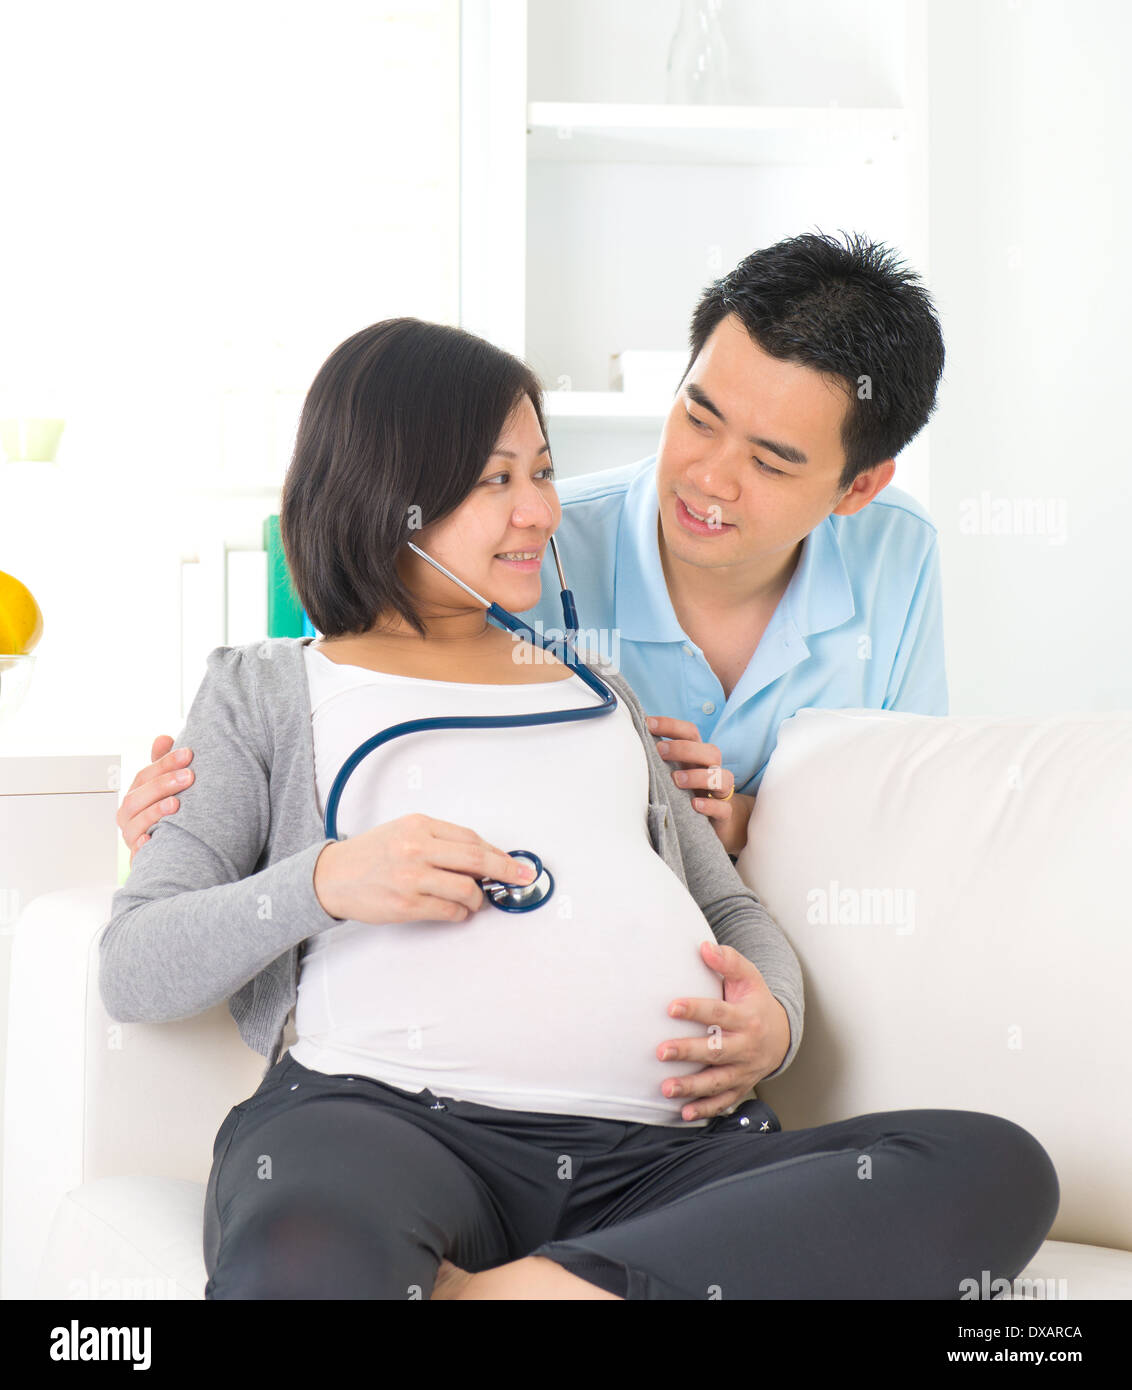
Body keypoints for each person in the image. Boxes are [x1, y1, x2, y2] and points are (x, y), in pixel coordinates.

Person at [99, 318, 1057, 1300]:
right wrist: (324, 879)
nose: (540, 512)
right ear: (385, 492)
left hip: (657, 1159)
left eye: (542, 472)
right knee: (303, 1255)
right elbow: (136, 966)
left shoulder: (599, 690)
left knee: (992, 1164)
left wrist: (774, 1019)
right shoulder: (264, 687)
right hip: (383, 1122)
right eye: (493, 481)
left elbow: (730, 911)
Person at [117, 231, 948, 865]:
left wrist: (747, 820)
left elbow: (906, 811)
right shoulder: (523, 544)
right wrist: (215, 816)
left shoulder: (896, 556)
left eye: (769, 461)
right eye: (698, 418)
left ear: (856, 488)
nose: (710, 479)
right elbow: (345, 729)